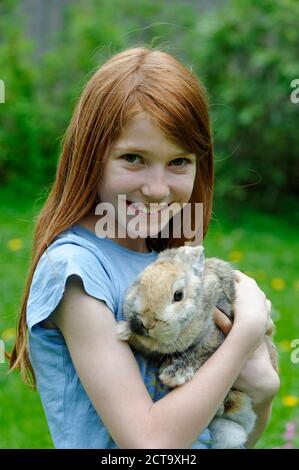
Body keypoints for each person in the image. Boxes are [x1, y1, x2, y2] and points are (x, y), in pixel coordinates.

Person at [9, 46, 279, 449]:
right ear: (90, 157)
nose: (156, 190)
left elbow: (232, 435)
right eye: (133, 158)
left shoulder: (165, 263)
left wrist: (263, 389)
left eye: (179, 162)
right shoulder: (77, 271)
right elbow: (150, 445)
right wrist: (244, 339)